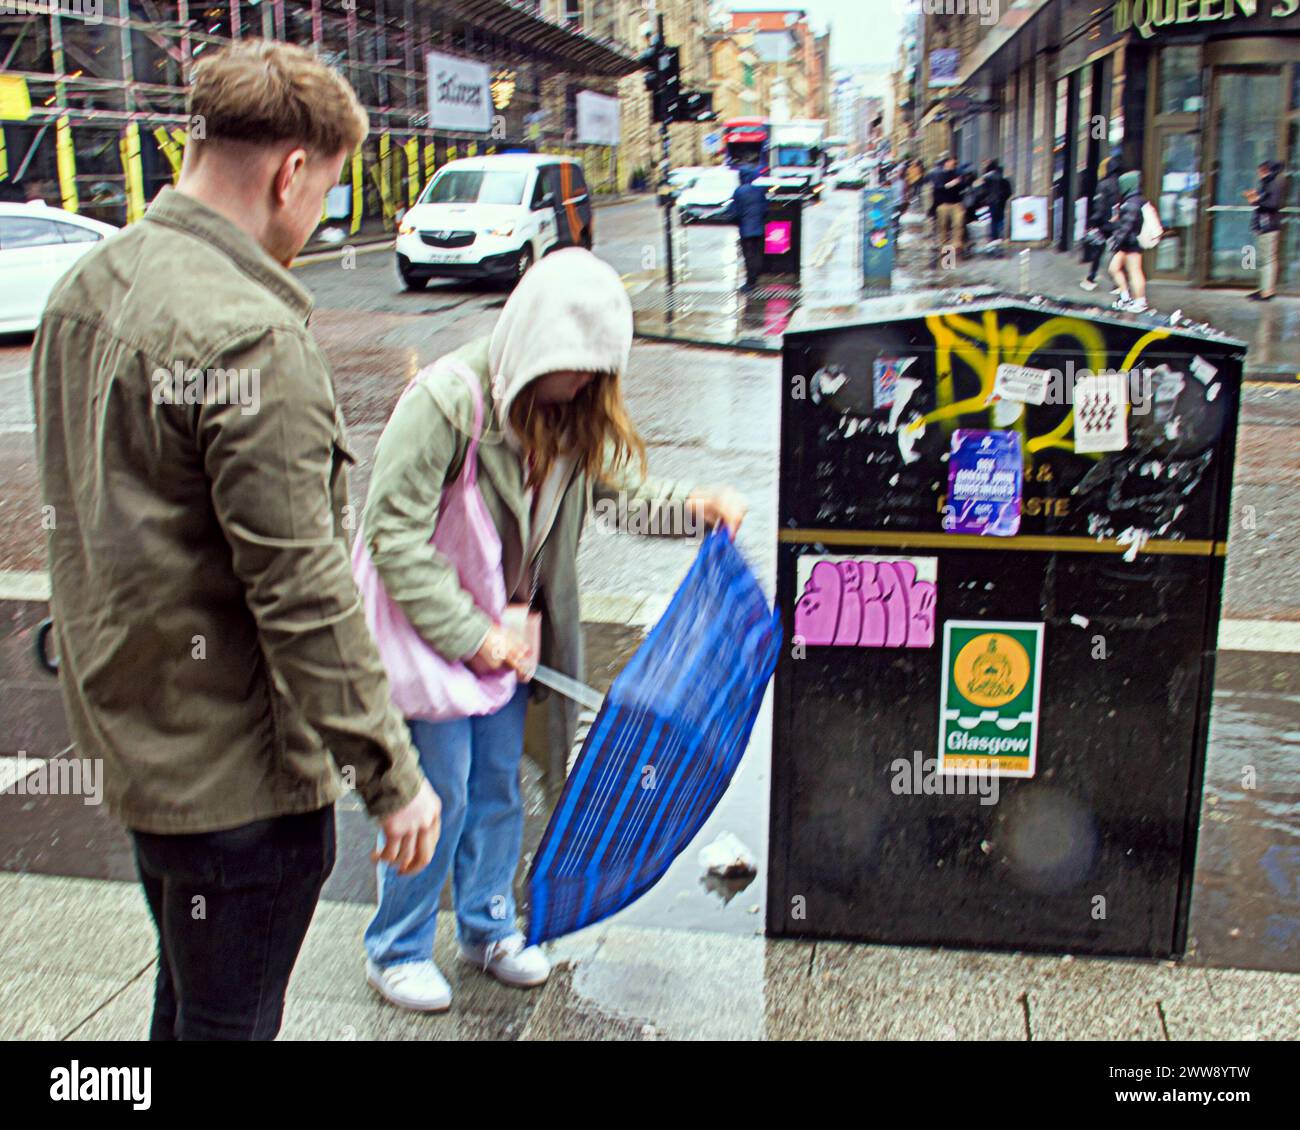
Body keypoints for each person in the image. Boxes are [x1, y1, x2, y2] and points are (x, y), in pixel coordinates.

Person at [31, 39, 440, 1041]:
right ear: (290, 171)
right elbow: (301, 590)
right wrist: (391, 773)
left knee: (189, 1003)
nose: (314, 221)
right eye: (325, 193)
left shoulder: (86, 291)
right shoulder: (251, 334)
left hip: (141, 751)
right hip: (240, 787)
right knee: (229, 1019)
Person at [360, 247, 748, 1013]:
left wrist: (695, 507)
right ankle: (397, 947)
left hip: (513, 639)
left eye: (597, 371)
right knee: (441, 790)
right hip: (438, 634)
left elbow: (626, 497)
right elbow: (389, 533)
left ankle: (489, 927)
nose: (583, 385)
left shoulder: (571, 413)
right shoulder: (445, 403)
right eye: (573, 366)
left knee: (502, 785)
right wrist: (470, 634)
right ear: (534, 340)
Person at [1108, 170, 1150, 313]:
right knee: (1114, 268)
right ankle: (1126, 298)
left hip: (1130, 244)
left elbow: (1127, 226)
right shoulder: (1131, 200)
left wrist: (1116, 243)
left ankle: (1140, 301)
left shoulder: (1132, 203)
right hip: (1126, 243)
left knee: (1134, 272)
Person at [1245, 159, 1286, 302]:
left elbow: (1272, 204)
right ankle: (1264, 289)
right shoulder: (1268, 183)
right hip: (1266, 226)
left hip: (1269, 226)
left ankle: (1267, 291)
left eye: (1262, 170)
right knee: (1265, 259)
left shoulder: (1272, 184)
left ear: (1268, 170)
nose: (1259, 173)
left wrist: (1255, 200)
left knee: (1268, 259)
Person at [1081, 157, 1122, 291]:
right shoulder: (1120, 183)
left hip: (1104, 224)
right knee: (1116, 252)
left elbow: (1100, 206)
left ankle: (1091, 278)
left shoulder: (1103, 185)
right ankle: (1117, 283)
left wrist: (1092, 222)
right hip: (1118, 223)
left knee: (1099, 251)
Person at [731, 164, 768, 293]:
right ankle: (755, 279)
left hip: (746, 230)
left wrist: (737, 221)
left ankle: (750, 283)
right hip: (759, 229)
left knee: (748, 256)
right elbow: (765, 210)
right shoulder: (759, 191)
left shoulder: (739, 191)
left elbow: (734, 212)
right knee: (757, 255)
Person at [931, 155, 965, 255]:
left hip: (956, 203)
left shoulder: (957, 173)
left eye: (954, 162)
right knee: (943, 226)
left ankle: (956, 245)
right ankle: (944, 246)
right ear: (946, 163)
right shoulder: (939, 174)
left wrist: (959, 183)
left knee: (958, 224)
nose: (953, 164)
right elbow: (937, 188)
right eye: (951, 162)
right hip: (943, 204)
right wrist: (950, 184)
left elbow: (963, 186)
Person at [981, 160, 1013, 244]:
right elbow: (1008, 191)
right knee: (1000, 219)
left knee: (994, 221)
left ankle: (994, 238)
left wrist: (985, 199)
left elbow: (983, 190)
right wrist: (1004, 198)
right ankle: (1000, 237)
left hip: (992, 201)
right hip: (1001, 201)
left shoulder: (987, 178)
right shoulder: (1002, 177)